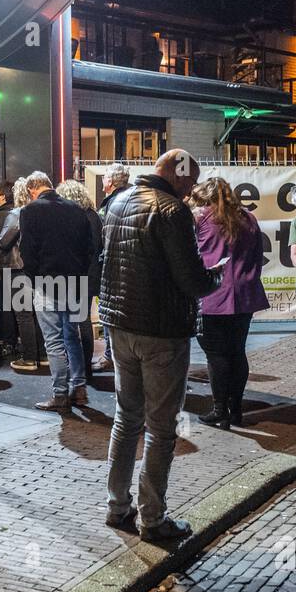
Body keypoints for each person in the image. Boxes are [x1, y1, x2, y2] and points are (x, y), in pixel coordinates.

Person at [99, 149, 224, 542]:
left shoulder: (117, 202)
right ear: (177, 174)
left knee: (125, 417)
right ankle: (152, 518)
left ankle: (116, 506)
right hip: (161, 330)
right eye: (189, 181)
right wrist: (216, 277)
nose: (190, 190)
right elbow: (191, 280)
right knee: (160, 428)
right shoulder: (172, 211)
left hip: (119, 324)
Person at [189, 175, 269, 429]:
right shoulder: (249, 218)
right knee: (237, 351)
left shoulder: (202, 218)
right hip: (244, 295)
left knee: (216, 354)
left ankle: (219, 409)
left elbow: (192, 255)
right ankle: (236, 409)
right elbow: (259, 256)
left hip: (212, 294)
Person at [19, 171, 95, 409]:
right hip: (74, 282)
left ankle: (60, 393)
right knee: (72, 336)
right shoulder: (76, 209)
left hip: (47, 282)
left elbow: (27, 252)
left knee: (53, 341)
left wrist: (34, 277)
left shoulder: (30, 211)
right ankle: (79, 388)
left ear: (32, 190)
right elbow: (88, 248)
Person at [57, 180, 103, 383]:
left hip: (77, 274)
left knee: (71, 323)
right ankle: (86, 367)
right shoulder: (94, 215)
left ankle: (78, 369)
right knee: (83, 320)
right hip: (92, 274)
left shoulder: (72, 218)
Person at [0, 178, 46, 371]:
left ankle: (28, 358)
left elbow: (3, 241)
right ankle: (42, 355)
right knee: (36, 314)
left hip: (18, 268)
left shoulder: (16, 214)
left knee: (23, 314)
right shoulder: (39, 212)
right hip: (36, 267)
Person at [95, 163, 133, 373]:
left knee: (109, 312)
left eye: (104, 179)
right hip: (130, 266)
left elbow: (106, 237)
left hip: (114, 266)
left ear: (110, 181)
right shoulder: (133, 197)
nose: (102, 184)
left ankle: (111, 356)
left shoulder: (112, 203)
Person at [0, 181, 19, 360]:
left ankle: (9, 341)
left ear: (2, 195)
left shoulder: (0, 216)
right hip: (19, 265)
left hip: (5, 264)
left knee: (7, 305)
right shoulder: (19, 212)